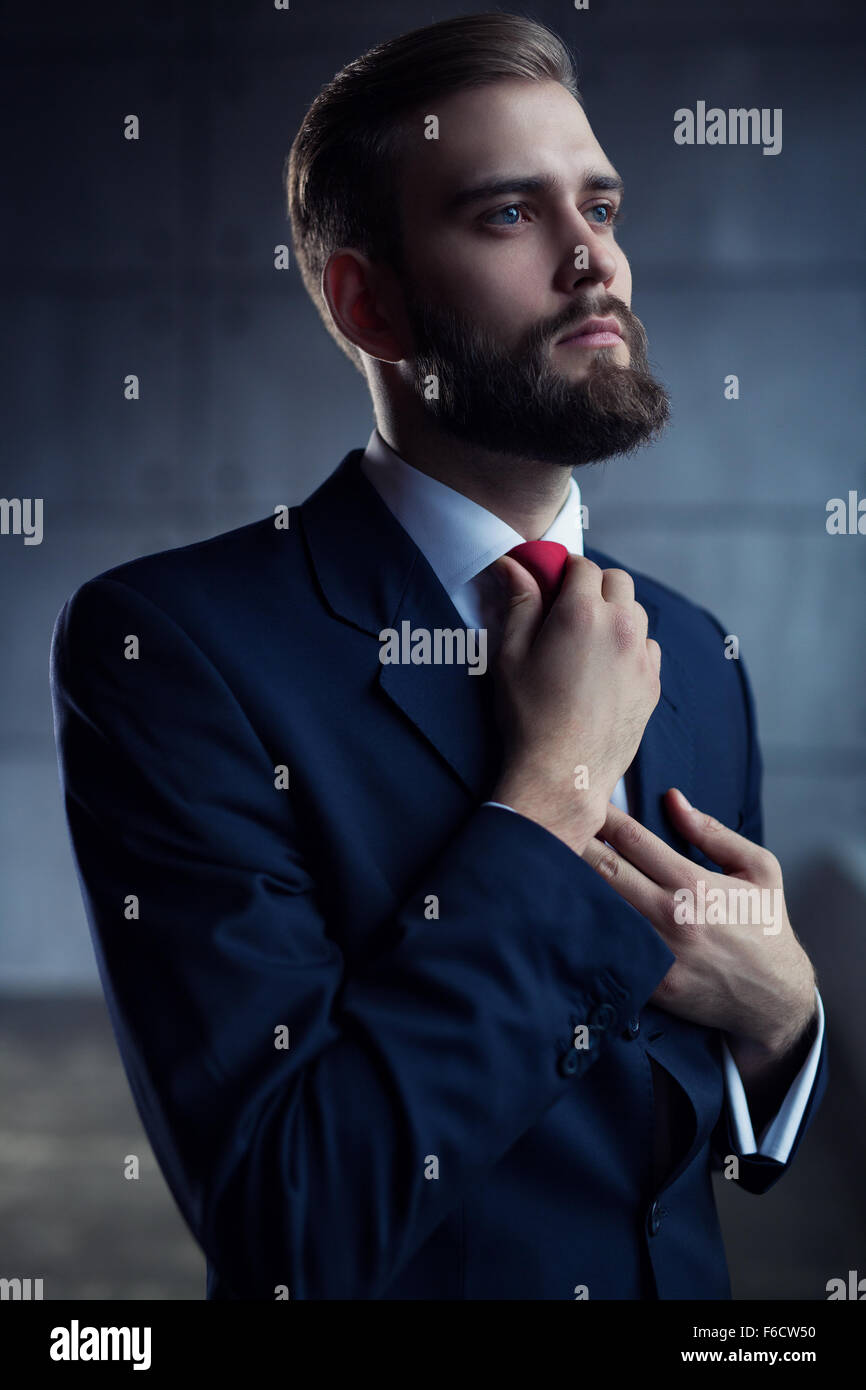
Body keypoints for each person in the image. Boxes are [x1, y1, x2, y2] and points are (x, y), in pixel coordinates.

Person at [50, 12, 825, 1300]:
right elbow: (287, 1220)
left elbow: (705, 1154)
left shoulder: (691, 649)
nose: (596, 264)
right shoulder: (174, 649)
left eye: (603, 206)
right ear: (369, 301)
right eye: (509, 217)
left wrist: (786, 1022)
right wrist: (553, 795)